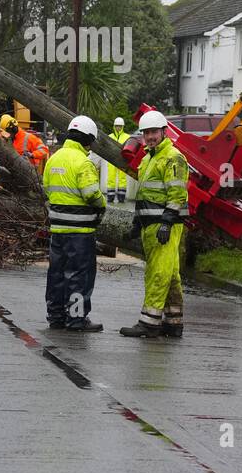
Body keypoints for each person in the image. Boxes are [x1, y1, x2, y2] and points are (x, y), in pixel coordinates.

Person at [119, 110, 188, 339]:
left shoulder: (173, 158)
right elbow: (145, 195)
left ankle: (149, 323)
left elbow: (177, 195)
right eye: (146, 133)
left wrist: (167, 223)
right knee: (170, 274)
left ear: (164, 132)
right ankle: (173, 321)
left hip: (163, 226)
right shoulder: (149, 158)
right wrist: (137, 223)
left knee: (157, 273)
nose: (150, 137)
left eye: (153, 132)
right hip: (152, 225)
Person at [42, 116, 106, 332]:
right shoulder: (83, 162)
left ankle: (56, 316)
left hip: (58, 230)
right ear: (88, 139)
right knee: (79, 276)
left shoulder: (54, 158)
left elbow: (47, 189)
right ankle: (76, 319)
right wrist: (102, 204)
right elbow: (91, 194)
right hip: (80, 233)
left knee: (57, 274)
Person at [107, 117, 131, 203]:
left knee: (122, 178)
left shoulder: (127, 137)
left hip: (123, 160)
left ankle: (121, 196)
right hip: (112, 160)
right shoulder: (109, 137)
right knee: (111, 177)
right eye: (117, 126)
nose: (118, 128)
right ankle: (110, 196)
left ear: (123, 127)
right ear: (114, 126)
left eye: (120, 126)